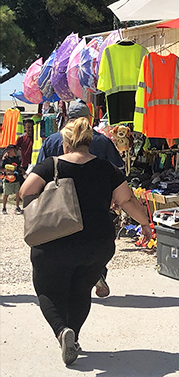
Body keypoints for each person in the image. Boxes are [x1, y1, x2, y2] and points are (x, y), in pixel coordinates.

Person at [20, 117, 152, 366]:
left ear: (66, 142)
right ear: (89, 142)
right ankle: (75, 337)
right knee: (81, 290)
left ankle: (62, 331)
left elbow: (25, 191)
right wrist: (144, 223)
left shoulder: (52, 165)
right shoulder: (107, 169)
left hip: (54, 241)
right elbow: (127, 201)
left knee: (47, 289)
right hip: (97, 243)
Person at [38, 99, 124, 298]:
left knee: (64, 240)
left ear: (67, 117)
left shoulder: (52, 140)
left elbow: (38, 173)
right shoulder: (101, 141)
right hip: (97, 202)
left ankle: (68, 281)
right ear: (89, 118)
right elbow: (117, 171)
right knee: (96, 241)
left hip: (60, 203)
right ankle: (96, 274)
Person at [2, 145, 23, 214]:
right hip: (7, 179)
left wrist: (19, 171)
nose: (16, 151)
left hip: (16, 178)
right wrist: (6, 171)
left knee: (17, 193)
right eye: (14, 150)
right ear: (9, 151)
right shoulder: (5, 160)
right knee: (6, 194)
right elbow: (1, 168)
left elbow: (19, 167)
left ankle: (17, 207)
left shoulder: (17, 158)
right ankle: (4, 208)